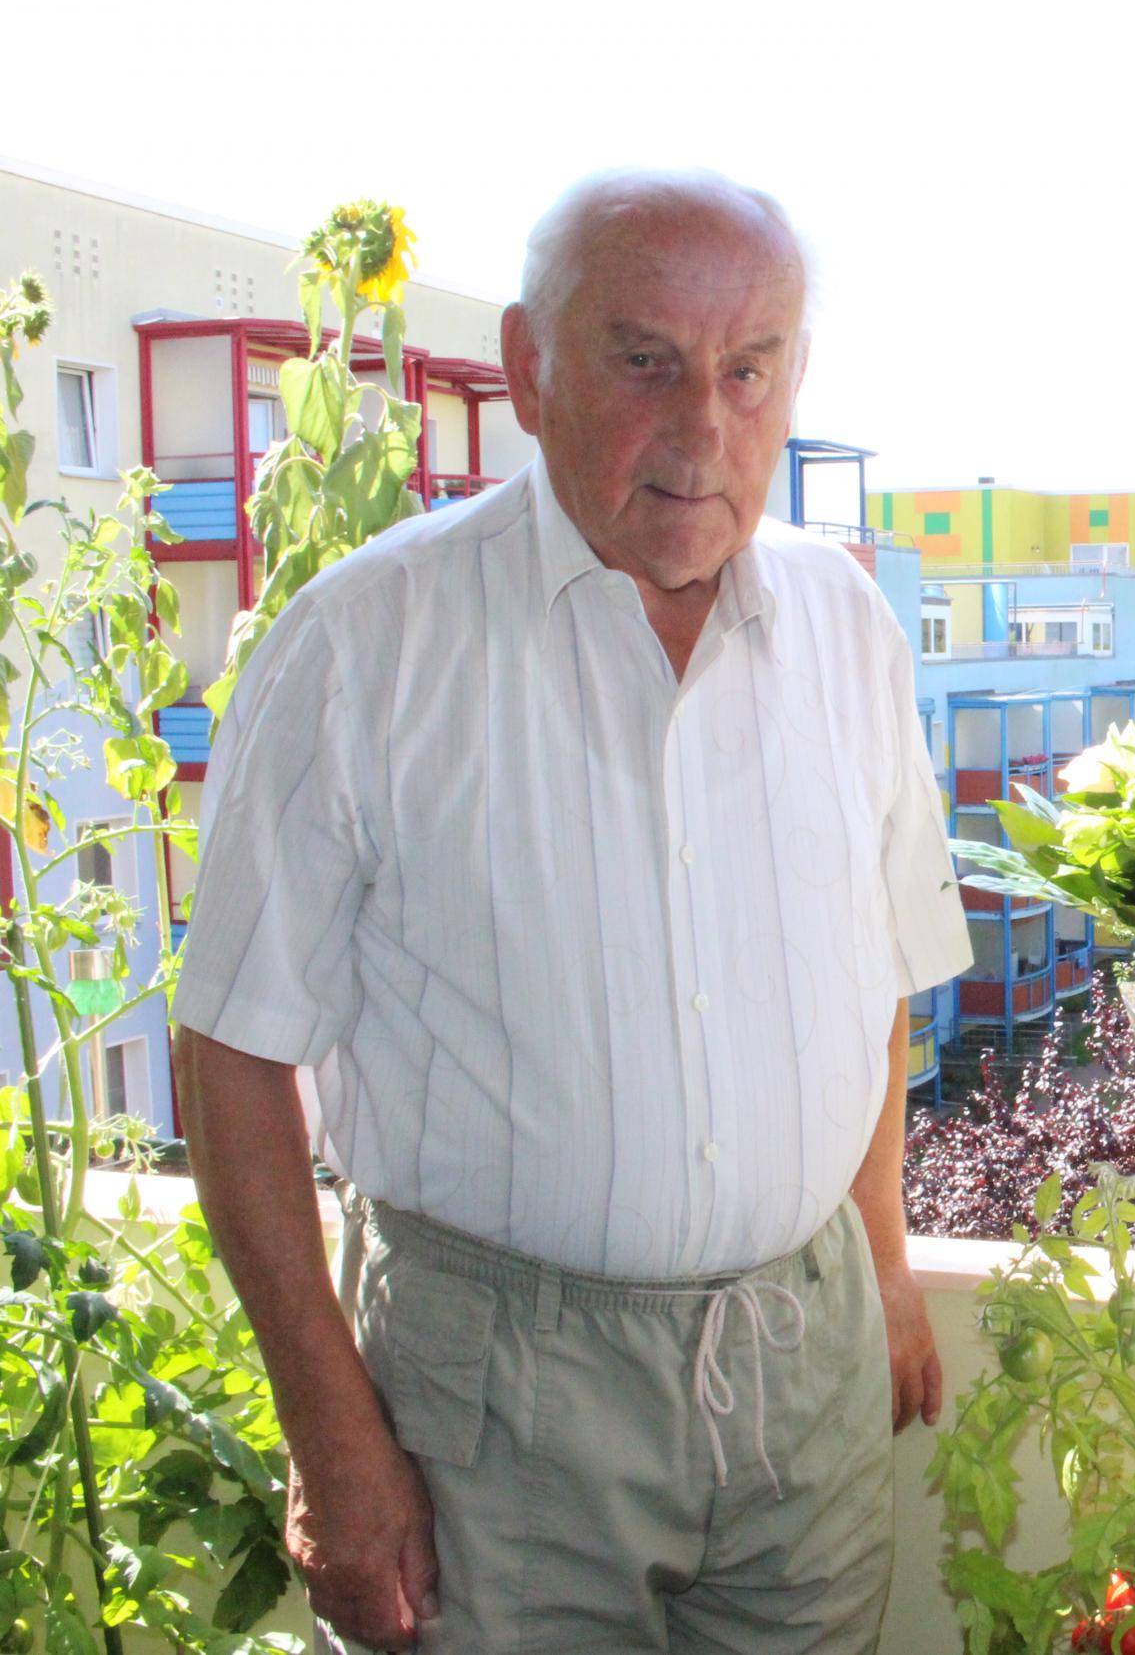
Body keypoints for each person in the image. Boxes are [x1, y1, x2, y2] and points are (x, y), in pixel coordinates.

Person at [176, 169, 972, 1654]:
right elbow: (227, 1055)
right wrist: (329, 1432)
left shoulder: (849, 630)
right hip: (494, 1414)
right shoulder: (361, 644)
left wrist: (882, 1258)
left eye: (749, 371)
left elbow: (874, 984)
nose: (704, 426)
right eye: (645, 358)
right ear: (531, 372)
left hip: (806, 1377)